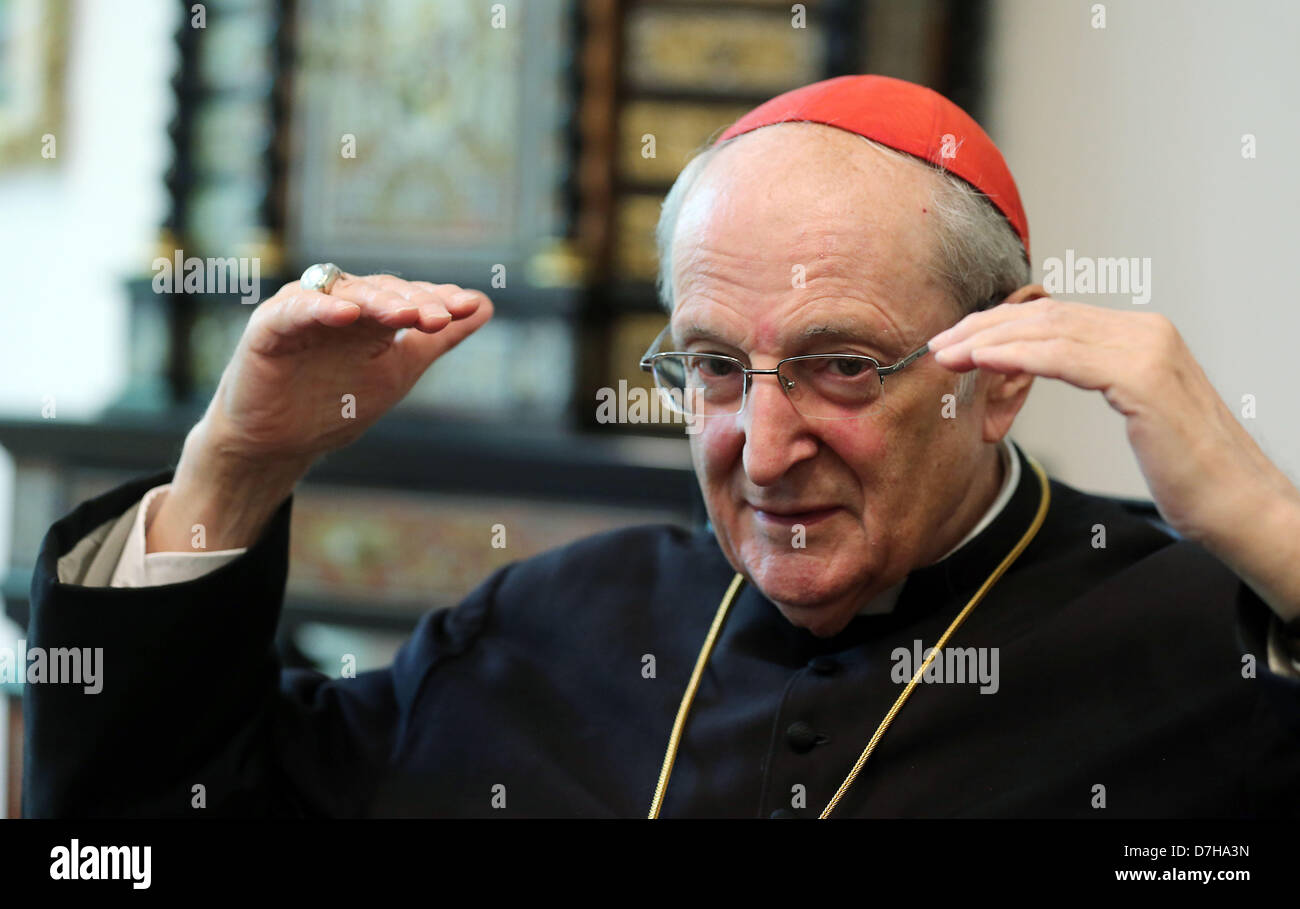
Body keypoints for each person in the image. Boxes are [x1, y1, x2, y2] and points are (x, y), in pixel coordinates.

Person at [24, 76, 1300, 818]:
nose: (762, 449)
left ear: (1002, 375)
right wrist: (235, 469)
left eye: (841, 365)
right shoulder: (550, 626)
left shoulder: (1216, 645)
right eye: (711, 369)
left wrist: (1274, 533)